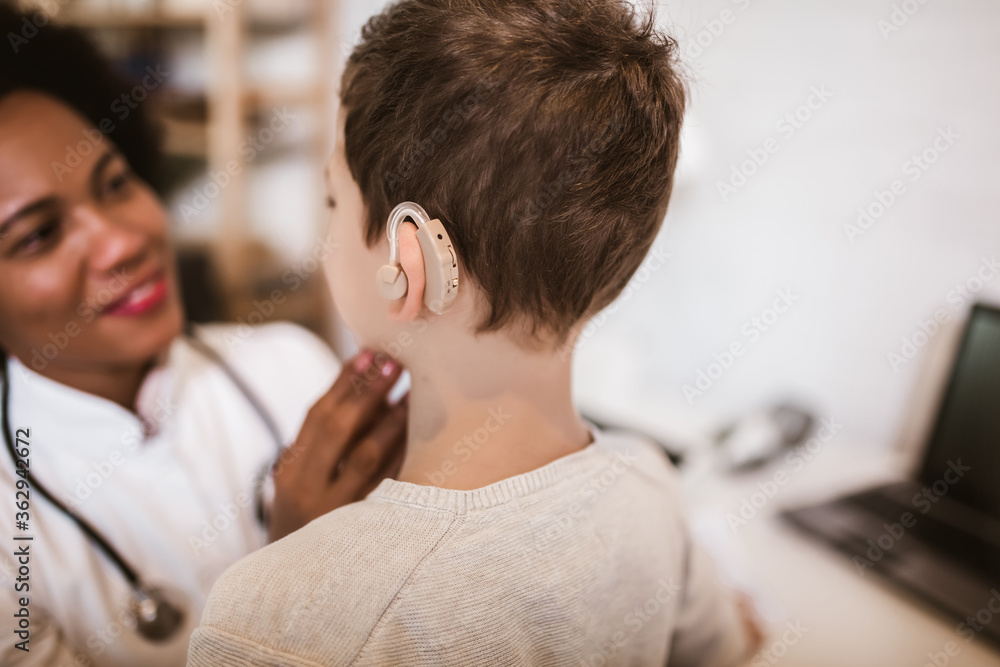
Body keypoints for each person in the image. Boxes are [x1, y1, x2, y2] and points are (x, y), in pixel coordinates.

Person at [188, 0, 763, 665]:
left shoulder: (266, 619)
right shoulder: (654, 491)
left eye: (331, 200)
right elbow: (727, 645)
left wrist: (296, 570)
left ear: (412, 266)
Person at [0, 4, 408, 665]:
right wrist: (294, 576)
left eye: (115, 183)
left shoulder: (288, 365)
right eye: (40, 235)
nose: (121, 240)